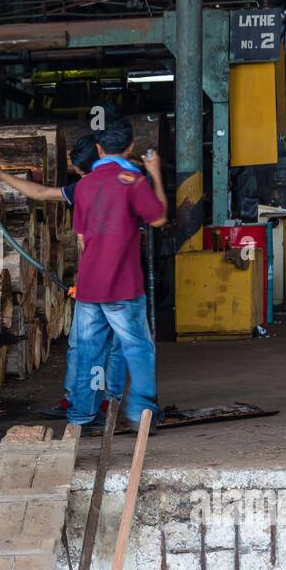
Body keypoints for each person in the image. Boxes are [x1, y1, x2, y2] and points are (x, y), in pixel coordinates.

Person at [0, 132, 126, 420]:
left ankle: (107, 401)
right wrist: (2, 175)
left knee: (113, 345)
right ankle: (74, 398)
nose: (82, 179)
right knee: (79, 343)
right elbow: (41, 192)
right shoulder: (83, 188)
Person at [66, 119, 167, 434]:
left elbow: (81, 239)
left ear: (98, 148)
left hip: (89, 285)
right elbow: (160, 217)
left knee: (88, 349)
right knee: (137, 346)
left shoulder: (84, 185)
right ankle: (141, 411)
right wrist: (155, 174)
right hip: (123, 284)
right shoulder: (133, 181)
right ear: (131, 147)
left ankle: (82, 413)